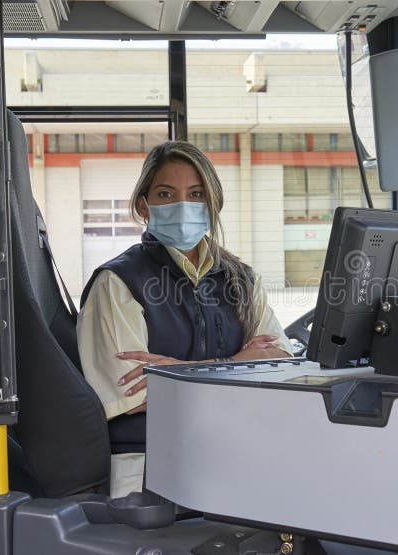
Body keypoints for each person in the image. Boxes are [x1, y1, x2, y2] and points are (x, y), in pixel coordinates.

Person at [77, 140, 293, 496]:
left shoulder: (241, 278)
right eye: (165, 193)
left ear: (212, 204)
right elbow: (134, 395)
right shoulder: (117, 283)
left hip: (230, 452)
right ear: (144, 206)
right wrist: (234, 364)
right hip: (148, 468)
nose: (183, 205)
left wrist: (179, 372)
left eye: (195, 194)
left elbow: (279, 361)